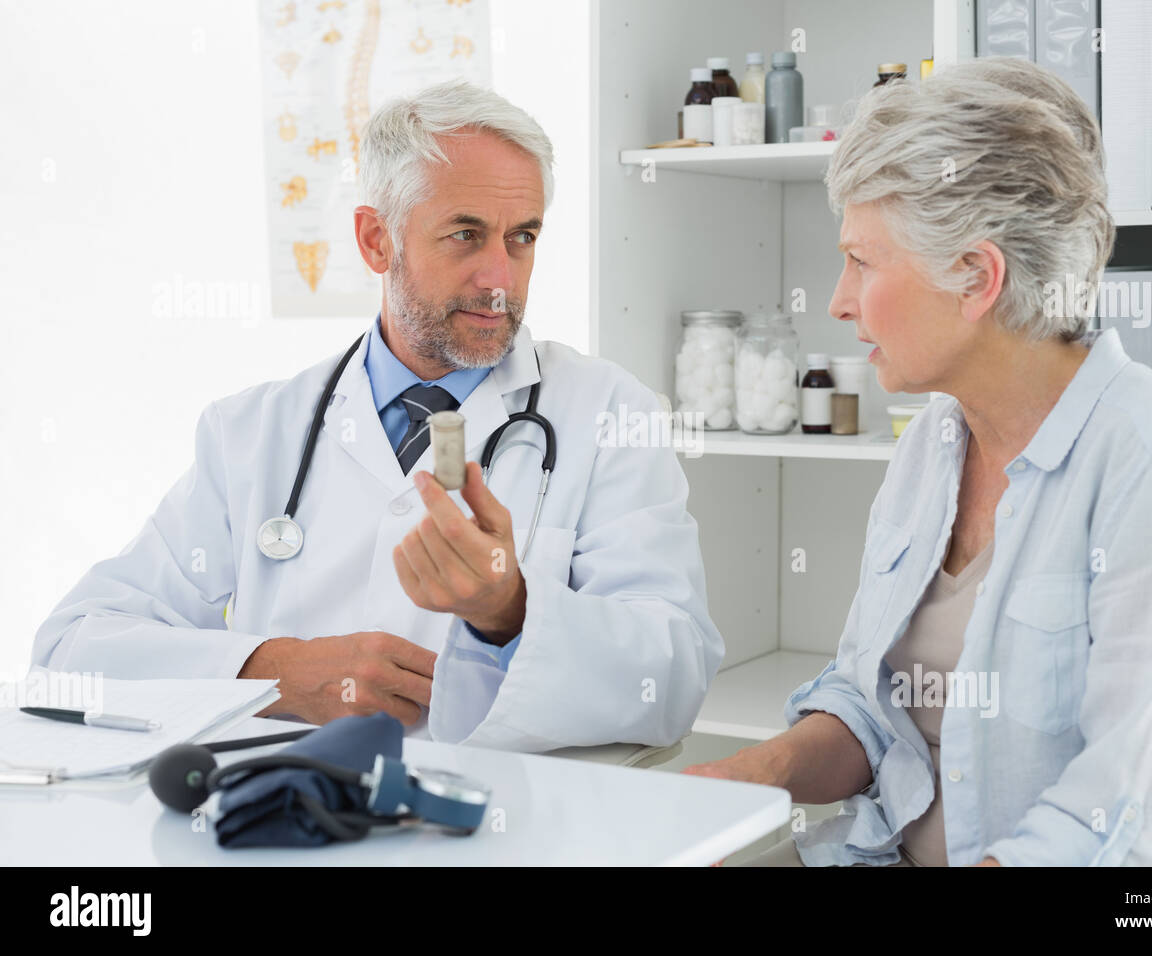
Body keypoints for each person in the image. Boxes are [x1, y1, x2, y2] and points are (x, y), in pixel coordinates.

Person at [686, 56, 1152, 866]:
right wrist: (738, 783)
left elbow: (1110, 829)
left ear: (976, 276)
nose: (837, 300)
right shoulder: (933, 444)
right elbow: (872, 713)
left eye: (862, 260)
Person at [32, 80, 724, 752]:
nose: (500, 279)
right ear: (375, 241)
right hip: (293, 825)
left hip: (507, 834)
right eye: (465, 235)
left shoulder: (609, 414)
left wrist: (511, 609)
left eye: (523, 237)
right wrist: (275, 672)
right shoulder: (251, 432)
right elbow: (70, 655)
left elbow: (673, 677)